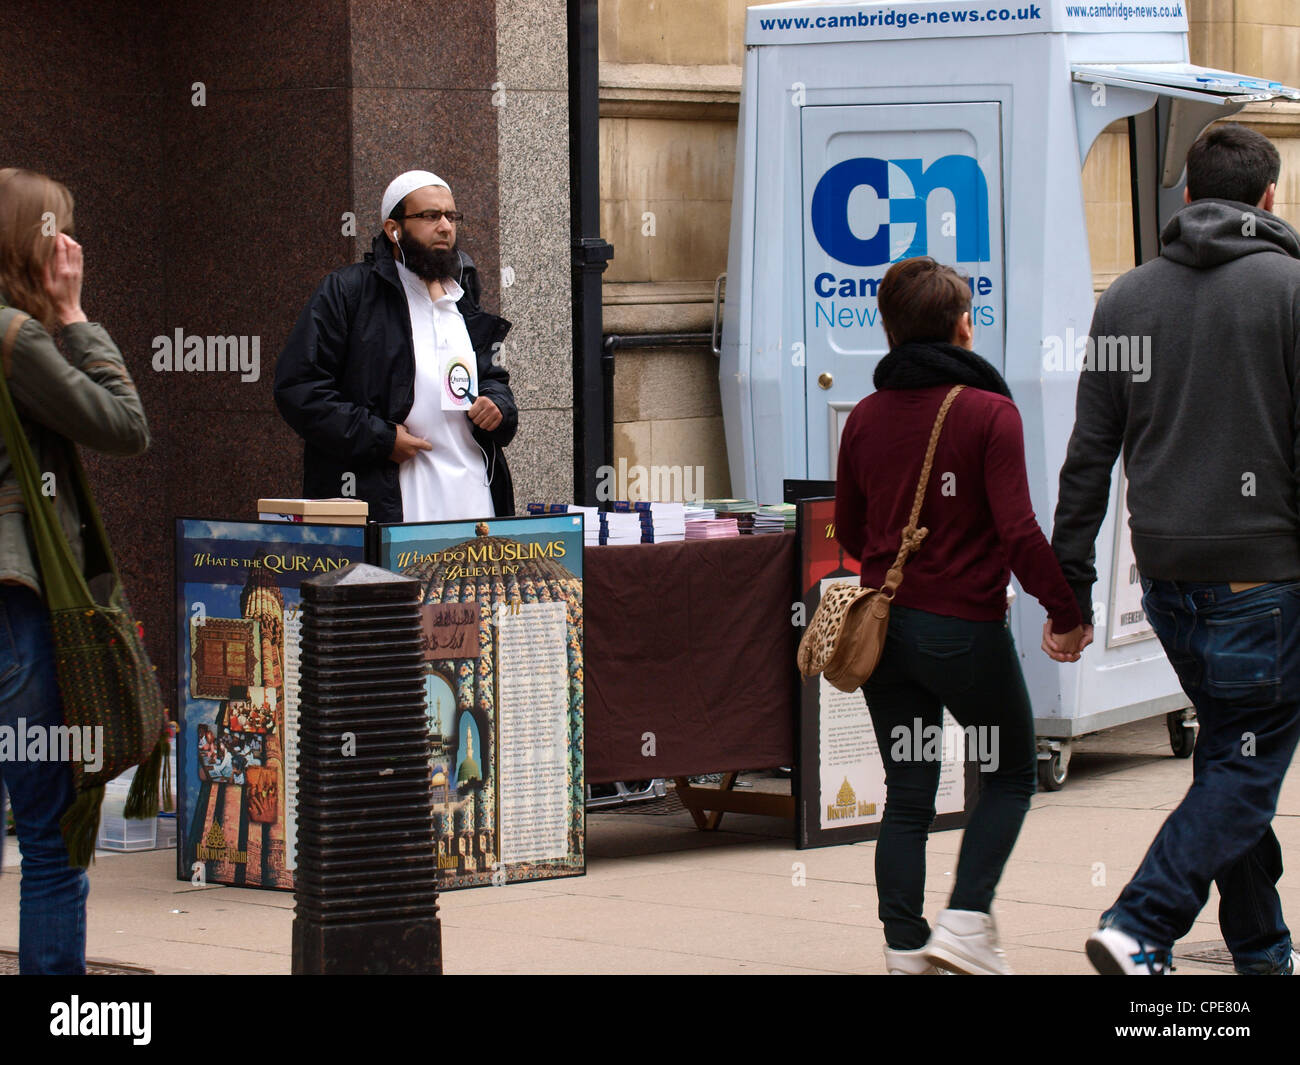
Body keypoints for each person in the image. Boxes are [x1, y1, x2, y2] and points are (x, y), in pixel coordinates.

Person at [1049, 123, 1300, 976]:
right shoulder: (1291, 289)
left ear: (1185, 197)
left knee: (1233, 753)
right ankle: (1140, 922)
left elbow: (1088, 456)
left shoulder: (1124, 299)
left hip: (1166, 575)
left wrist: (1067, 592)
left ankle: (1263, 950)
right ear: (1270, 199)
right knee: (1243, 765)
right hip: (1263, 576)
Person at [835, 256, 1087, 975]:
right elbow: (1020, 532)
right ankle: (968, 920)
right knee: (1009, 773)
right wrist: (1065, 611)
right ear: (961, 326)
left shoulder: (865, 417)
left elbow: (851, 532)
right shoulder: (988, 412)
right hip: (963, 629)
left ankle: (904, 945)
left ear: (888, 330)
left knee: (908, 793)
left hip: (886, 635)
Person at [0, 167, 151, 974]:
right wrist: (72, 315)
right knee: (53, 843)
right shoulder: (15, 339)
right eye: (56, 233)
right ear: (34, 246)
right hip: (18, 609)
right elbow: (125, 424)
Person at [274, 170, 517, 522]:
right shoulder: (348, 292)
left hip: (474, 496)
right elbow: (299, 390)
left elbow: (493, 378)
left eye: (451, 216)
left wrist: (497, 406)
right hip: (395, 497)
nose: (446, 227)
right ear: (393, 229)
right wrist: (381, 439)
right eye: (430, 216)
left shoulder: (461, 297)